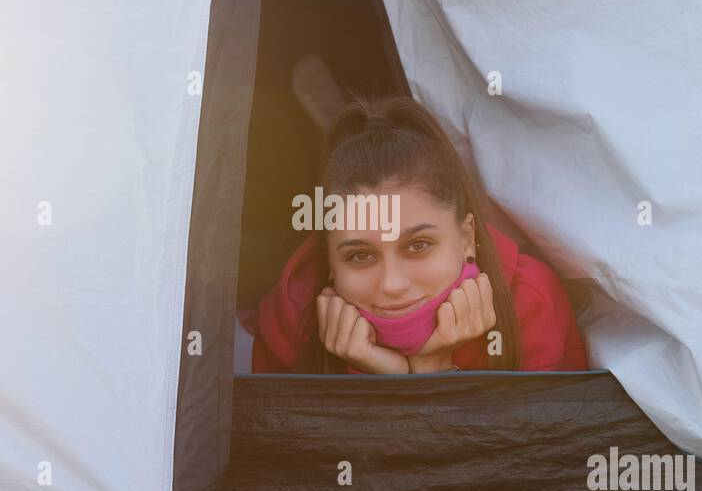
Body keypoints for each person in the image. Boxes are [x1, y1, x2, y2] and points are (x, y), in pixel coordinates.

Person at [247, 94, 589, 374]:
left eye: (418, 246)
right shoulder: (294, 316)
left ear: (467, 238)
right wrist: (381, 380)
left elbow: (539, 456)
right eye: (360, 256)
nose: (393, 285)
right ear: (329, 261)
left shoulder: (529, 302)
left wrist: (434, 371)